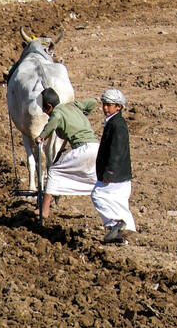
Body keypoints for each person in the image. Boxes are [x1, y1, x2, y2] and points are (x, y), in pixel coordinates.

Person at [36, 89, 98, 221]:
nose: (44, 112)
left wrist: (41, 137)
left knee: (53, 171)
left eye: (44, 109)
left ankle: (44, 210)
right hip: (97, 147)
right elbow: (92, 102)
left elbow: (53, 122)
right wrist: (82, 115)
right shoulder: (73, 105)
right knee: (96, 183)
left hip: (83, 149)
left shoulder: (56, 113)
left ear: (49, 106)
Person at [91, 87, 136, 245]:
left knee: (97, 195)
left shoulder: (116, 125)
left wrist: (109, 172)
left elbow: (116, 150)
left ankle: (113, 224)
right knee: (120, 203)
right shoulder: (117, 122)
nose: (105, 108)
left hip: (115, 174)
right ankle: (126, 235)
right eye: (104, 104)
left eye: (109, 105)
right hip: (123, 175)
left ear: (119, 106)